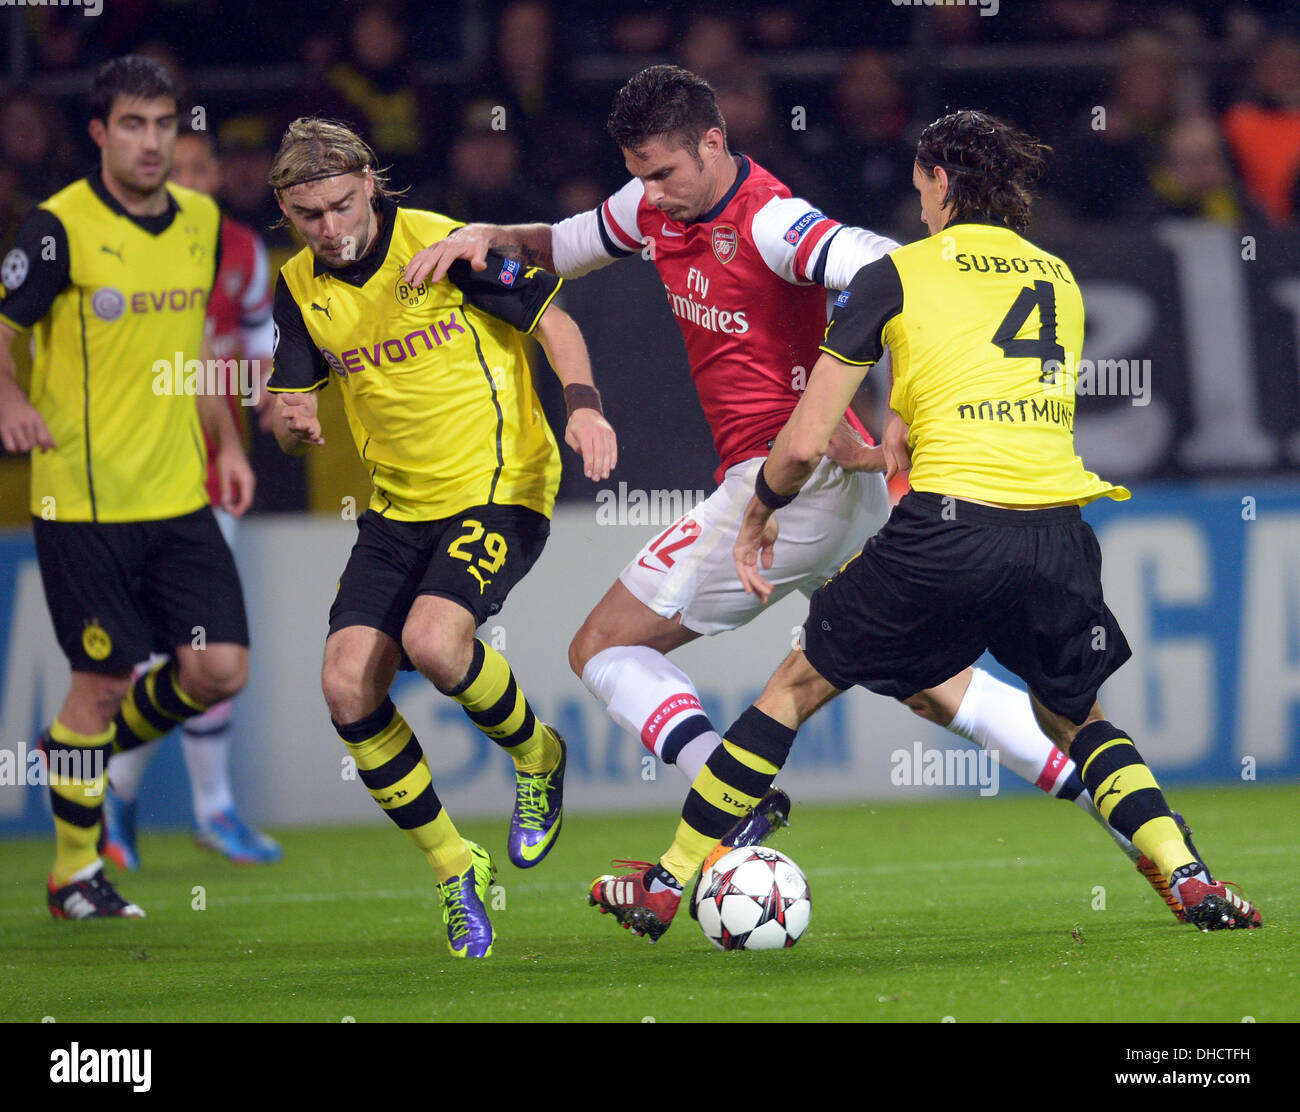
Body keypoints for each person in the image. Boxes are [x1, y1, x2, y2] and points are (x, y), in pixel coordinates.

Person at [403, 66, 1181, 943]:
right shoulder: (651, 208)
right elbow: (557, 244)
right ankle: (1135, 828)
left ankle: (727, 804)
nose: (651, 192)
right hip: (837, 490)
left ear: (713, 142)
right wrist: (479, 236)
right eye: (639, 174)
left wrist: (900, 417)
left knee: (602, 645)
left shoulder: (774, 222)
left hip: (786, 485)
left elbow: (890, 268)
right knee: (930, 685)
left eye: (664, 172)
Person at [700, 109, 1262, 935]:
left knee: (797, 683)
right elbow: (991, 392)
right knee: (1076, 717)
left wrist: (762, 511)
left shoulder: (898, 272)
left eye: (922, 186)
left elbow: (802, 441)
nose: (918, 204)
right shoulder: (1059, 278)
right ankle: (1187, 872)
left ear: (941, 182)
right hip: (1059, 531)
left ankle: (672, 874)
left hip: (953, 527)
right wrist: (907, 426)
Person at [265, 117, 616, 958]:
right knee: (347, 686)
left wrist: (586, 406)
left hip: (502, 484)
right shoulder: (297, 286)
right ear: (286, 209)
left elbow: (555, 320)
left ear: (370, 185)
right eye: (308, 214)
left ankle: (538, 758)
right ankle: (458, 867)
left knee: (432, 639)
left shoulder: (449, 246)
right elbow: (286, 401)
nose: (330, 227)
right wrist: (288, 421)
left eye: (342, 204)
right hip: (397, 507)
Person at [0, 56, 254, 919]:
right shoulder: (55, 229)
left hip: (180, 494)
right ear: (101, 133)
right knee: (100, 685)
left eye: (167, 125)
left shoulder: (202, 219)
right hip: (83, 501)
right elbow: (2, 330)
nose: (154, 142)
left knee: (219, 669)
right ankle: (74, 871)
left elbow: (203, 350)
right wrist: (8, 397)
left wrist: (227, 445)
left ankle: (78, 749)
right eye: (135, 126)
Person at [99, 126, 282, 868]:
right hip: (125, 476)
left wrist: (274, 398)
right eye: (186, 168)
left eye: (207, 168)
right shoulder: (118, 246)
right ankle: (115, 797)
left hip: (208, 479)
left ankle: (209, 807)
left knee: (211, 647)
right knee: (146, 654)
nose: (199, 180)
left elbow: (255, 345)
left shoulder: (241, 249)